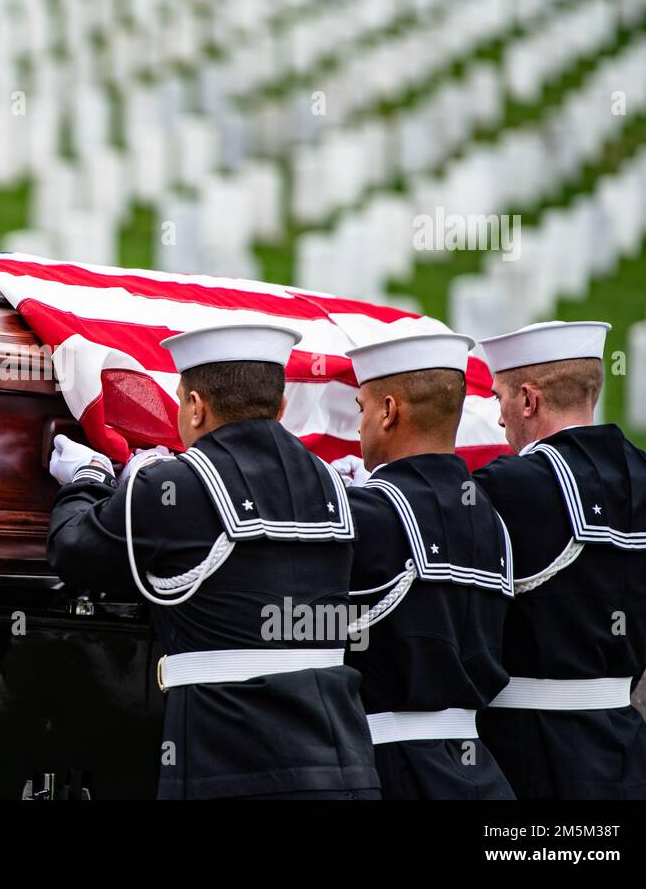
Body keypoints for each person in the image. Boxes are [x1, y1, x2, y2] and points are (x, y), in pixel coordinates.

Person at [47, 324, 379, 799]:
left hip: (228, 759)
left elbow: (74, 552)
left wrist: (88, 477)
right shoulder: (338, 486)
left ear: (196, 406)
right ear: (280, 408)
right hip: (341, 762)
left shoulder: (176, 486)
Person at [474, 320, 646, 799]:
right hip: (633, 758)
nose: (499, 420)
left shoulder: (508, 485)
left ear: (528, 399)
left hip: (528, 759)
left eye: (500, 399)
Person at [343, 332, 515, 798]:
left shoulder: (366, 514)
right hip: (479, 771)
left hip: (386, 770)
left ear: (388, 411)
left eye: (361, 409)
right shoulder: (492, 517)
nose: (358, 427)